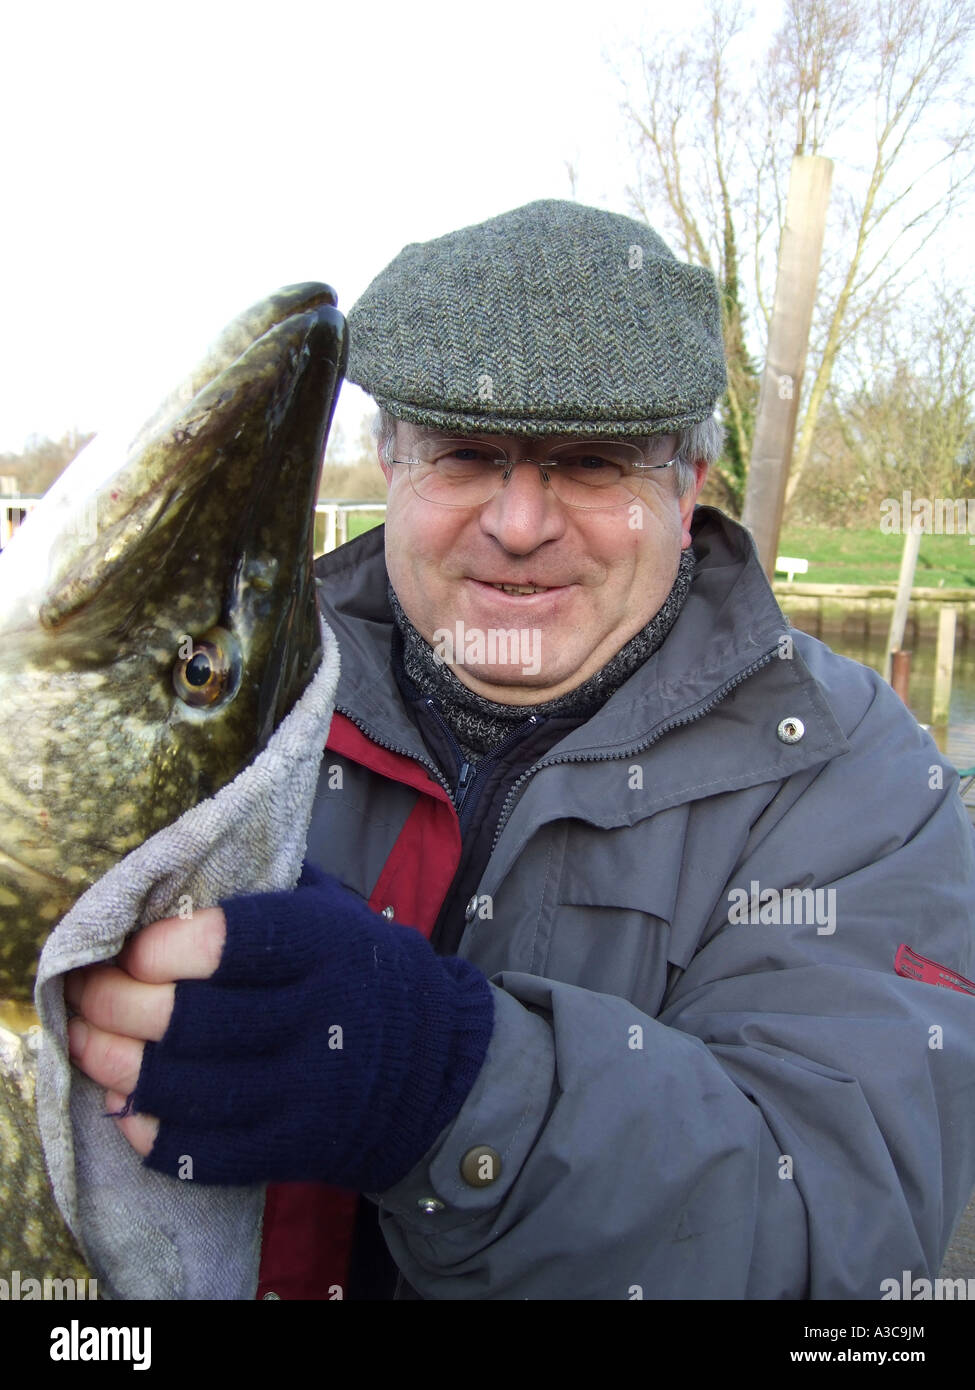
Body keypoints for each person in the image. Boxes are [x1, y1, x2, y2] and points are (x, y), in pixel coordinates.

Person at [66, 200, 975, 1300]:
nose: (519, 521)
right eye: (465, 454)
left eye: (591, 464)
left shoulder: (851, 779)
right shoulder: (203, 708)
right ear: (392, 465)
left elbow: (843, 1251)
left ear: (686, 494)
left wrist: (443, 1088)